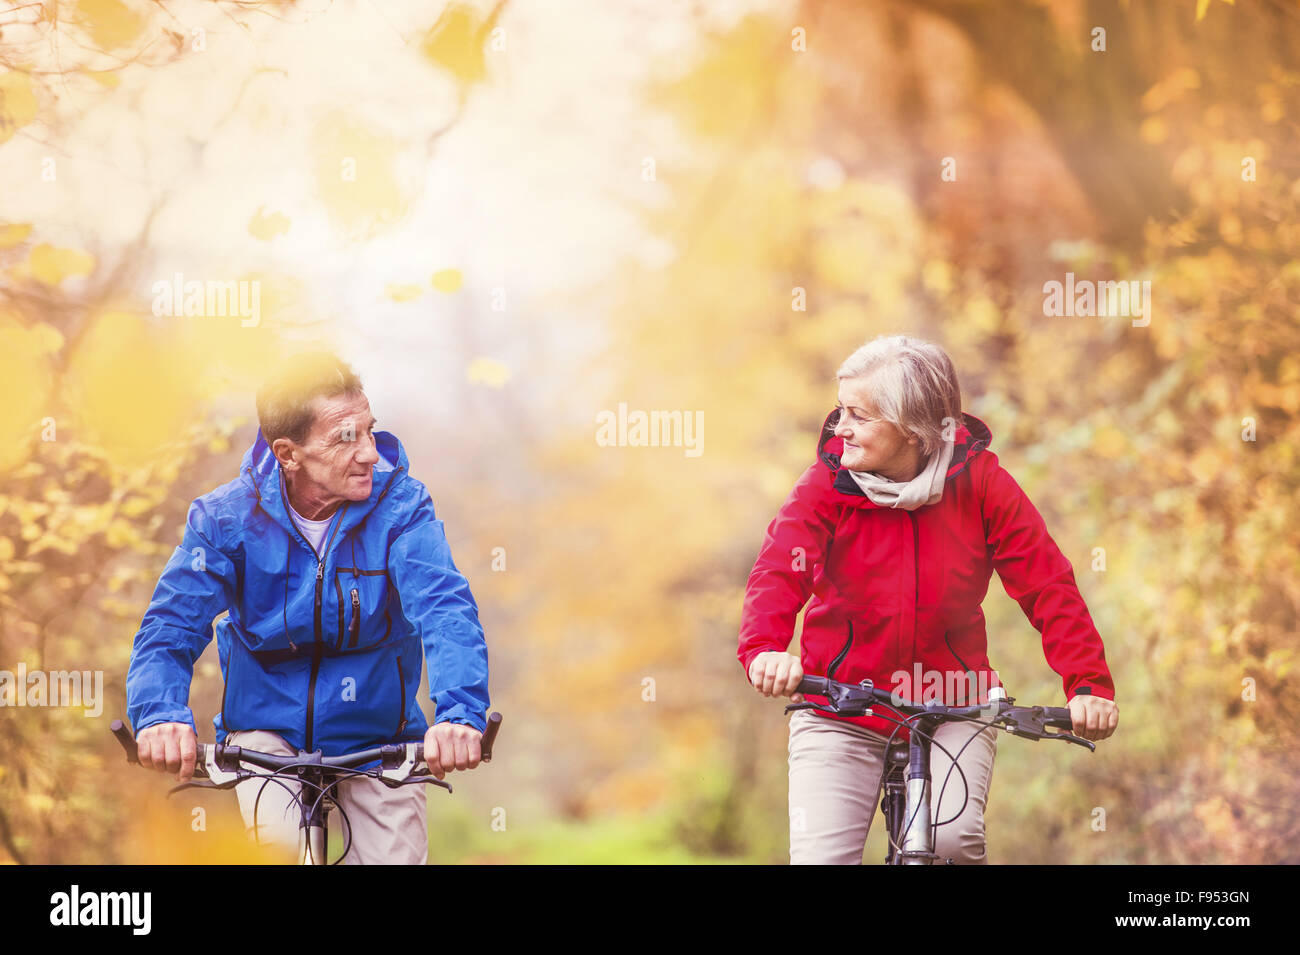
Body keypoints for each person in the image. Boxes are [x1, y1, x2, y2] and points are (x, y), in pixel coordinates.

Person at [738, 334, 1117, 865]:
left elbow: (1046, 584)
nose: (838, 428)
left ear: (913, 429)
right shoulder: (828, 484)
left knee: (950, 844)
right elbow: (779, 570)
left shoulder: (983, 485)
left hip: (953, 701)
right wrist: (765, 650)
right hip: (840, 703)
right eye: (841, 410)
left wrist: (1088, 685)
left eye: (859, 416)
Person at [125, 350, 490, 864]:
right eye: (345, 437)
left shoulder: (401, 507)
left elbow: (445, 608)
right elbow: (170, 626)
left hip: (379, 736)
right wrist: (160, 715)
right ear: (288, 454)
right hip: (265, 736)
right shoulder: (224, 519)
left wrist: (459, 714)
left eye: (369, 430)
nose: (367, 452)